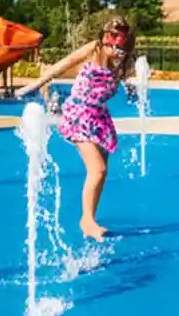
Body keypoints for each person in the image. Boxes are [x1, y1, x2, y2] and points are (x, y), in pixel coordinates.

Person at [16, 17, 135, 240]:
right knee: (97, 169)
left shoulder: (122, 62)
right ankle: (88, 221)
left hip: (99, 118)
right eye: (110, 36)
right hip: (79, 114)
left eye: (120, 39)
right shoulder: (94, 50)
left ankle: (88, 218)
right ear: (104, 36)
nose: (114, 43)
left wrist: (123, 71)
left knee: (102, 172)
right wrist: (35, 85)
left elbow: (121, 87)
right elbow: (65, 63)